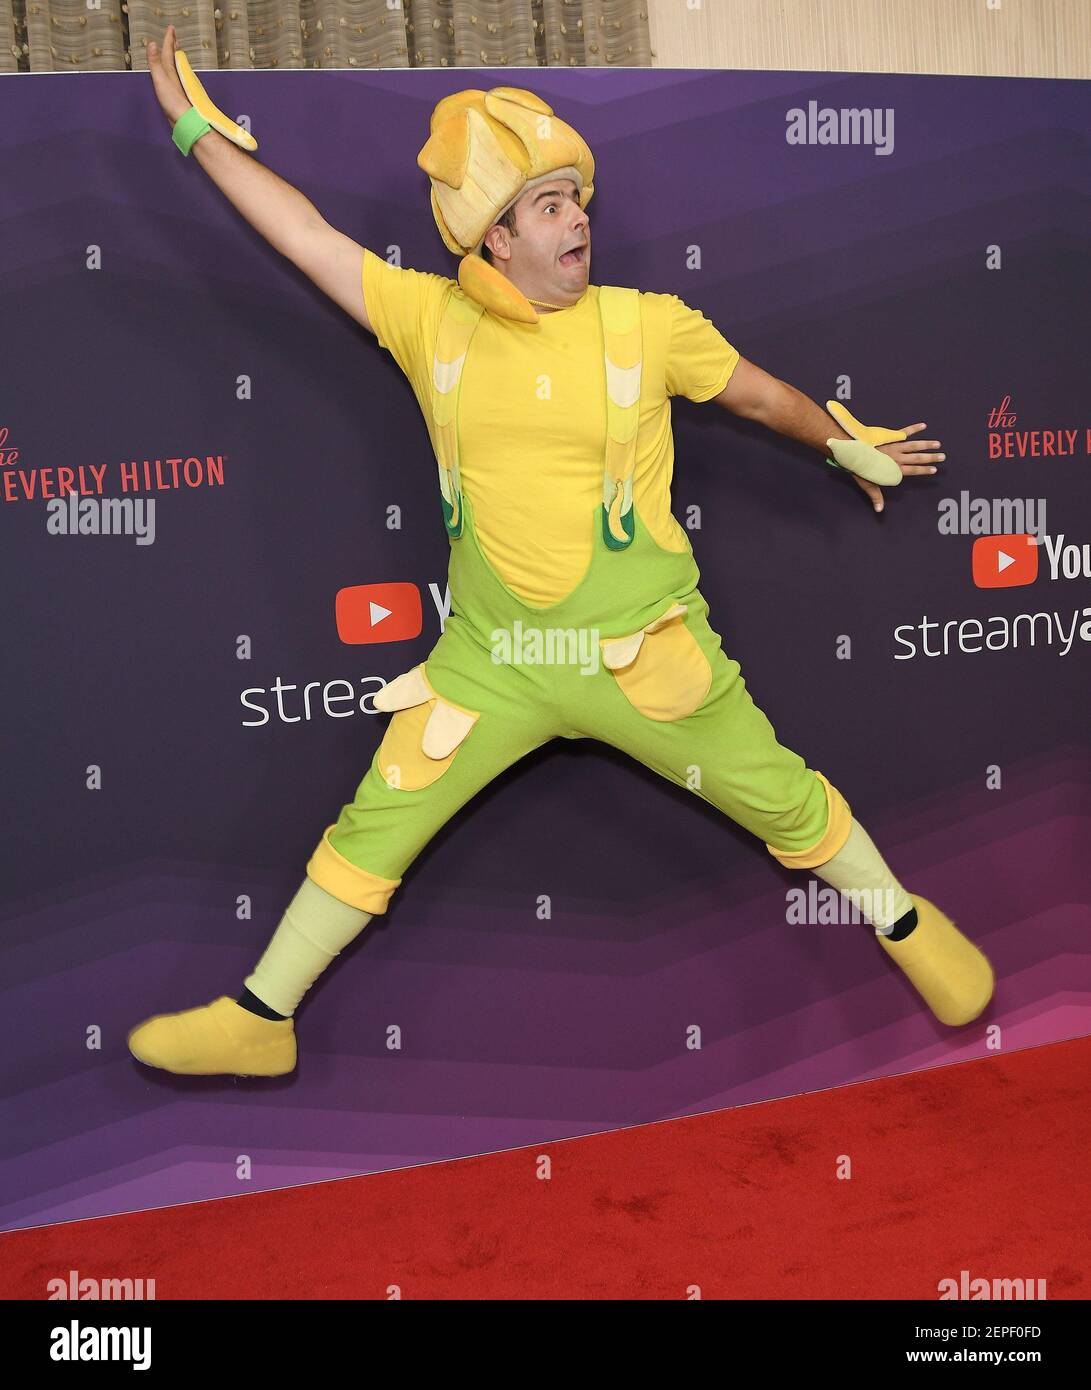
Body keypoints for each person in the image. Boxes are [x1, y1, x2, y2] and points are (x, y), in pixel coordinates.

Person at [128, 30, 994, 1078]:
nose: (576, 217)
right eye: (547, 205)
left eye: (574, 199)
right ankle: (260, 1016)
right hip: (491, 665)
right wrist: (194, 134)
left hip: (645, 656)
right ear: (495, 239)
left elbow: (760, 396)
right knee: (378, 821)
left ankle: (904, 926)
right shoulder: (428, 319)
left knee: (780, 793)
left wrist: (835, 441)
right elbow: (305, 237)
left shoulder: (649, 325)